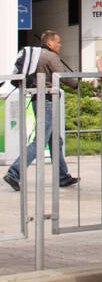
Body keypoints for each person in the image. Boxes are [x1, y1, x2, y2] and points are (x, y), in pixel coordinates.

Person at [3, 31, 78, 191]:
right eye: (58, 42)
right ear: (50, 43)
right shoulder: (50, 56)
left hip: (39, 99)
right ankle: (14, 173)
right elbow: (62, 76)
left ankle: (62, 177)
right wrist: (76, 83)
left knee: (54, 140)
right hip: (47, 100)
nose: (60, 45)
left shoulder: (36, 56)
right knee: (40, 141)